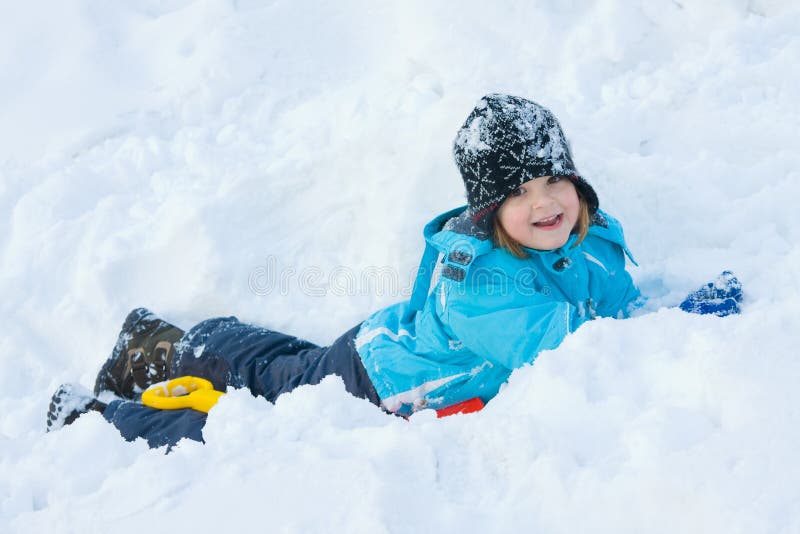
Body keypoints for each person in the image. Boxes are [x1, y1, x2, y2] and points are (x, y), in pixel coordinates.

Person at [46, 94, 743, 449]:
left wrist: (674, 311)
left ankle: (165, 343)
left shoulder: (590, 236)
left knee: (273, 368)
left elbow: (609, 301)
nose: (544, 203)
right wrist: (679, 328)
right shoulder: (483, 286)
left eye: (553, 180)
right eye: (519, 191)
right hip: (374, 385)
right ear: (489, 210)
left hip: (390, 347)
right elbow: (572, 349)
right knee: (230, 425)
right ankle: (100, 421)